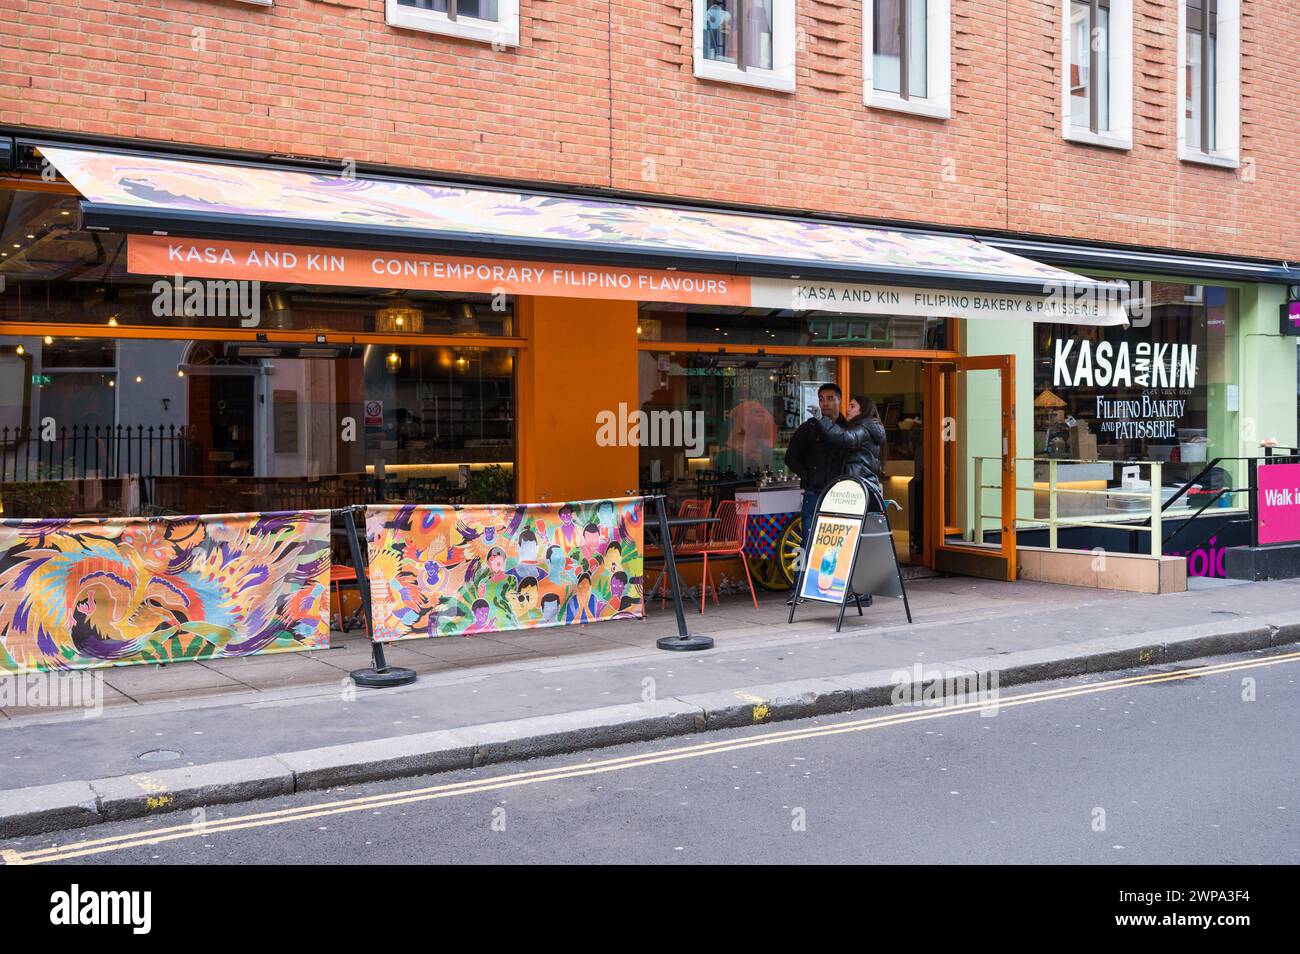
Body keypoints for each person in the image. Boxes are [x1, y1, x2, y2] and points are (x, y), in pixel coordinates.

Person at [784, 383, 847, 602]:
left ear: (839, 400)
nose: (825, 403)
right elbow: (790, 457)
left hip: (841, 494)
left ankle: (834, 588)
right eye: (821, 399)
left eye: (830, 398)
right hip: (814, 492)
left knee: (839, 543)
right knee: (807, 542)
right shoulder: (809, 428)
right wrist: (807, 475)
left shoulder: (848, 428)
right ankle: (797, 590)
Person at [812, 395, 887, 509]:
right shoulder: (867, 427)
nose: (847, 409)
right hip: (861, 486)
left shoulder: (864, 428)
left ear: (863, 410)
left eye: (852, 406)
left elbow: (845, 438)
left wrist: (822, 419)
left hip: (859, 487)